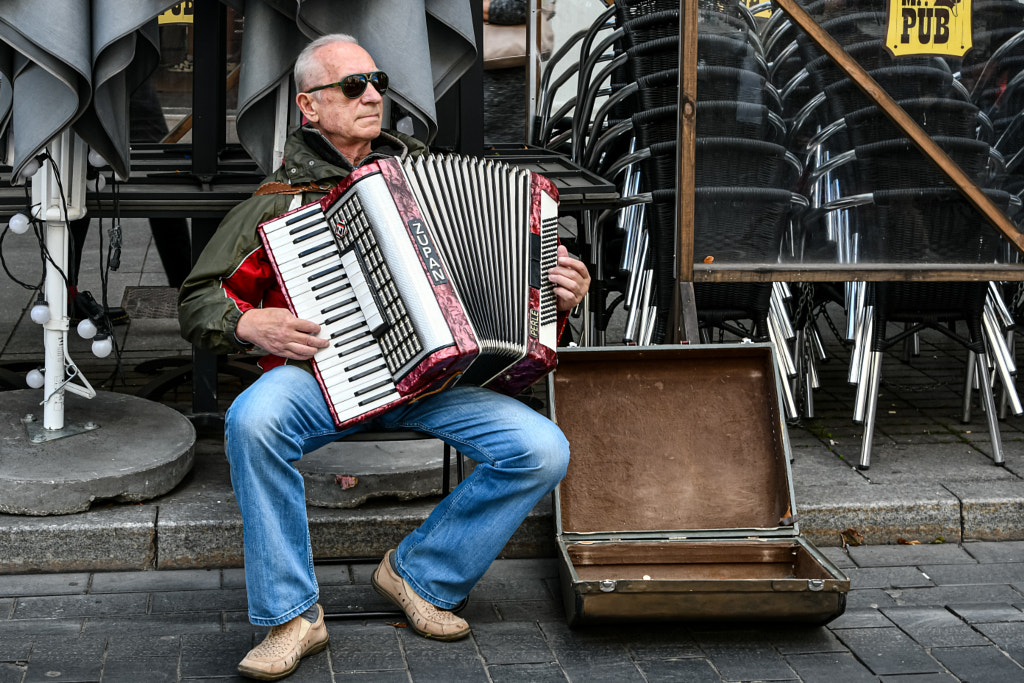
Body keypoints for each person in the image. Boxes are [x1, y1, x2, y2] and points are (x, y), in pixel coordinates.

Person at [177, 33, 590, 680]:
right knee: (253, 421)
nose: (372, 95)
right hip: (321, 380)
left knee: (542, 448)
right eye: (351, 85)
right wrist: (249, 321)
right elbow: (199, 299)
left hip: (434, 383)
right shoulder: (281, 200)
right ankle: (291, 615)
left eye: (376, 82)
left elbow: (520, 281)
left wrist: (563, 289)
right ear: (309, 108)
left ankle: (420, 573)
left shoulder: (424, 177)